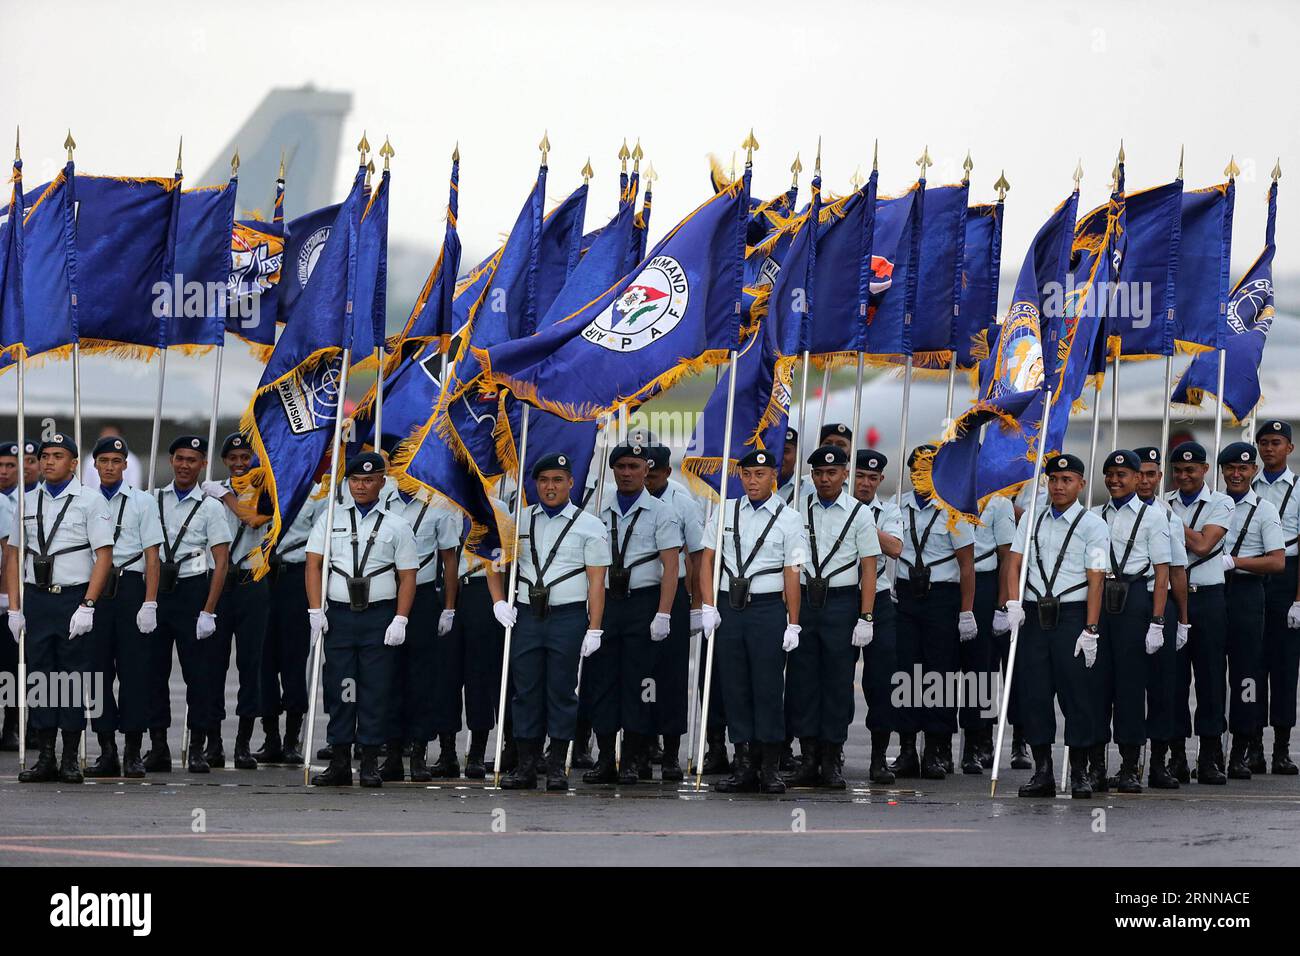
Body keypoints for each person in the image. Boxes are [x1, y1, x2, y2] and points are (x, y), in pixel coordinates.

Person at [488, 452, 609, 791]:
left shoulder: (590, 526)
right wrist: (499, 602)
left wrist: (594, 626)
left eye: (557, 480)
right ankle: (526, 766)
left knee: (561, 691)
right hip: (526, 616)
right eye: (543, 481)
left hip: (567, 618)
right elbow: (493, 564)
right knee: (525, 691)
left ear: (570, 482)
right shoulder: (518, 522)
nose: (550, 487)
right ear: (535, 484)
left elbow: (596, 582)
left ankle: (556, 764)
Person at [3, 434, 114, 783]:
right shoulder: (27, 501)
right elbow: (13, 555)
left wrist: (88, 605)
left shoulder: (89, 501)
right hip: (37, 597)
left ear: (73, 462)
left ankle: (69, 757)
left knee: (71, 678)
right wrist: (15, 608)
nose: (49, 462)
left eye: (58, 456)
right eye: (45, 456)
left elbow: (104, 557)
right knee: (40, 678)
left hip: (72, 597)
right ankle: (45, 756)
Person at [307, 452, 418, 787]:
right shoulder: (330, 520)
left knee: (374, 688)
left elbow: (408, 576)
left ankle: (369, 760)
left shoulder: (397, 525)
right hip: (339, 616)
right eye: (355, 479)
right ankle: (339, 759)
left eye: (369, 480)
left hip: (379, 617)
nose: (361, 486)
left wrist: (400, 619)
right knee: (342, 687)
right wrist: (315, 609)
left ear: (382, 483)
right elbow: (314, 564)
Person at [699, 448, 807, 793]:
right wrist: (707, 605)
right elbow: (708, 559)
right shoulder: (726, 510)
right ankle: (743, 763)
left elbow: (793, 571)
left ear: (773, 476)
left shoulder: (789, 518)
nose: (752, 481)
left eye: (759, 475)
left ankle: (769, 767)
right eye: (746, 474)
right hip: (729, 608)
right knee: (734, 687)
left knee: (768, 688)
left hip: (766, 610)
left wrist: (793, 620)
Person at [1003, 453, 1109, 798]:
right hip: (1033, 615)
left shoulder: (1094, 525)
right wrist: (1013, 603)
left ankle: (1078, 771)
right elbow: (1014, 563)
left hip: (1073, 615)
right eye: (1053, 480)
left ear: (1080, 483)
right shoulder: (1032, 519)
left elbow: (1096, 579)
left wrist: (1091, 629)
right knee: (1034, 693)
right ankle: (1043, 771)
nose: (1059, 486)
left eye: (1067, 480)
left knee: (1077, 695)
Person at [584, 443, 681, 784]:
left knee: (640, 684)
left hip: (644, 603)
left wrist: (664, 614)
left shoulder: (661, 513)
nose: (627, 473)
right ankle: (606, 758)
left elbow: (671, 567)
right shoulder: (600, 512)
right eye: (621, 466)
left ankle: (633, 758)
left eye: (634, 467)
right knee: (603, 681)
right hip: (610, 603)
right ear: (613, 469)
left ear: (645, 470)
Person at [784, 445, 878, 788]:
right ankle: (807, 756)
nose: (825, 479)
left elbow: (869, 568)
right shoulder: (797, 513)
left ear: (844, 474)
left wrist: (865, 616)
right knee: (802, 681)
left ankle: (831, 758)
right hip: (806, 601)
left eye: (832, 473)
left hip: (840, 603)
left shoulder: (859, 514)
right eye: (820, 473)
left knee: (838, 683)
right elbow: (791, 565)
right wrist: (791, 612)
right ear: (812, 475)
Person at [146, 436, 232, 774]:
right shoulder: (152, 501)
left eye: (192, 460)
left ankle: (197, 746)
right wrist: (148, 602)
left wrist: (208, 610)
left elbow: (221, 561)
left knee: (201, 676)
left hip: (194, 592)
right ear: (170, 460)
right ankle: (158, 746)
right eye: (179, 458)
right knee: (154, 673)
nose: (185, 465)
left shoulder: (211, 507)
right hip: (158, 592)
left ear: (202, 465)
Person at [893, 445, 977, 780]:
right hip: (907, 598)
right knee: (906, 674)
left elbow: (967, 566)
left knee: (939, 675)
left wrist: (966, 612)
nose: (921, 477)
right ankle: (907, 748)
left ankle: (937, 749)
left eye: (928, 470)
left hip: (942, 598)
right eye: (916, 470)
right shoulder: (897, 508)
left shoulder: (954, 512)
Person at [1092, 450, 1171, 794]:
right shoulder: (1094, 517)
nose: (1114, 480)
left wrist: (1157, 621)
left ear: (1140, 478)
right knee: (1096, 686)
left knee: (1129, 687)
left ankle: (1128, 765)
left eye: (1122, 474)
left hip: (1135, 599)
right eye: (1109, 474)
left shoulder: (1155, 517)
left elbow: (1162, 570)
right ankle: (1094, 763)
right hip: (1100, 597)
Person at [85, 436, 164, 778]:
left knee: (134, 673)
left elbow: (152, 556)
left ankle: (133, 749)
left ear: (125, 465)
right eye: (104, 461)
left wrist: (150, 602)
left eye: (116, 461)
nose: (110, 467)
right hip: (96, 588)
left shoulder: (142, 502)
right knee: (97, 672)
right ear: (95, 465)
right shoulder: (84, 501)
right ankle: (107, 749)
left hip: (130, 586)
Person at [200, 433, 271, 770]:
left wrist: (226, 495)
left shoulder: (264, 489)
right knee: (213, 665)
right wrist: (218, 494)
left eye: (246, 457)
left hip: (251, 584)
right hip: (218, 584)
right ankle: (213, 741)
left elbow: (252, 518)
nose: (241, 463)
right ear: (225, 461)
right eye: (234, 458)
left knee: (250, 666)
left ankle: (243, 743)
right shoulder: (209, 495)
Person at [1166, 440, 1234, 785]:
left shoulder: (1221, 502)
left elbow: (1205, 544)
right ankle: (1177, 754)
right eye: (1178, 470)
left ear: (1205, 470)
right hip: (1173, 600)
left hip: (1207, 598)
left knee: (1210, 679)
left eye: (1191, 470)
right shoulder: (1165, 503)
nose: (1184, 476)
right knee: (1174, 681)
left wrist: (1169, 525)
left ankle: (1210, 754)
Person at [382, 481, 460, 782]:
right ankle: (391, 753)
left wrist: (448, 607)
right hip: (387, 595)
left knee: (421, 679)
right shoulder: (383, 502)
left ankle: (418, 753)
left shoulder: (438, 507)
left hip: (425, 598)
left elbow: (449, 560)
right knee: (388, 677)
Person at [1217, 441, 1284, 779]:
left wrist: (1237, 561)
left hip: (1245, 592)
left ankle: (1243, 747)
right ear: (1222, 471)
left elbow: (1276, 561)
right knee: (1211, 674)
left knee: (1246, 676)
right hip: (1213, 593)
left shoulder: (1265, 510)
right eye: (1230, 468)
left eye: (1244, 468)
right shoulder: (1213, 505)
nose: (1237, 474)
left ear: (1253, 471)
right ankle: (1212, 749)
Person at [644, 444, 704, 781]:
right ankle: (641, 745)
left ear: (667, 473)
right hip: (639, 596)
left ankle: (670, 753)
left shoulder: (682, 503)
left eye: (654, 475)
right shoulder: (628, 501)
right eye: (644, 474)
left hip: (675, 594)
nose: (647, 481)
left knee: (671, 677)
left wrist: (695, 603)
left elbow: (696, 556)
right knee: (640, 674)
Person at [1133, 446, 1191, 789]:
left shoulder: (1169, 517)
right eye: (1138, 473)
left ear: (1159, 478)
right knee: (1123, 689)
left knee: (1162, 688)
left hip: (1160, 606)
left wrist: (1182, 619)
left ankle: (1158, 762)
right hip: (1121, 606)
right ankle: (1125, 762)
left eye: (1151, 474)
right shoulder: (1105, 515)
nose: (1144, 480)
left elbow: (1177, 571)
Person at [256, 488, 324, 766]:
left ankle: (291, 738)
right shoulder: (266, 489)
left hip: (297, 577)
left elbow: (322, 545)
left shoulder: (317, 494)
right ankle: (270, 737)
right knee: (264, 662)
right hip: (263, 575)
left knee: (294, 661)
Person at [1250, 420, 1300, 774]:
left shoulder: (1298, 488)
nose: (1269, 449)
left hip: (1287, 578)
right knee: (1251, 665)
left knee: (1284, 667)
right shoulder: (1244, 485)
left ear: (1289, 448)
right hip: (1252, 577)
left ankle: (1281, 747)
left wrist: (1299, 599)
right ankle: (1251, 743)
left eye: (1277, 443)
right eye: (1264, 442)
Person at [853, 448, 903, 784]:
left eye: (873, 478)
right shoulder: (832, 508)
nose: (866, 483)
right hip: (842, 597)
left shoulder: (887, 510)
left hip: (881, 600)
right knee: (832, 679)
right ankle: (825, 755)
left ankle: (878, 758)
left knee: (881, 681)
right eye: (859, 476)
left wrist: (862, 520)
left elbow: (895, 547)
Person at [968, 493, 1015, 773]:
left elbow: (1006, 555)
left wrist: (1001, 604)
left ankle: (979, 739)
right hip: (952, 583)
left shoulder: (999, 502)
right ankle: (941, 746)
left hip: (985, 583)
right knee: (947, 670)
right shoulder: (947, 491)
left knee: (981, 671)